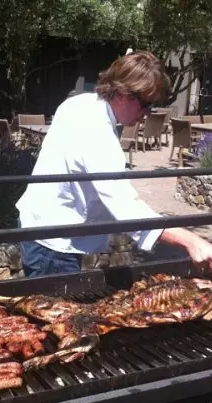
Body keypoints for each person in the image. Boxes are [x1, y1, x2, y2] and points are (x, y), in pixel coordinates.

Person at [16, 50, 212, 277]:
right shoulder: (96, 131)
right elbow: (124, 206)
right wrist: (190, 240)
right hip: (52, 243)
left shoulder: (80, 103)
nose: (148, 113)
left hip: (43, 228)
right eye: (146, 104)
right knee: (56, 310)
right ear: (122, 94)